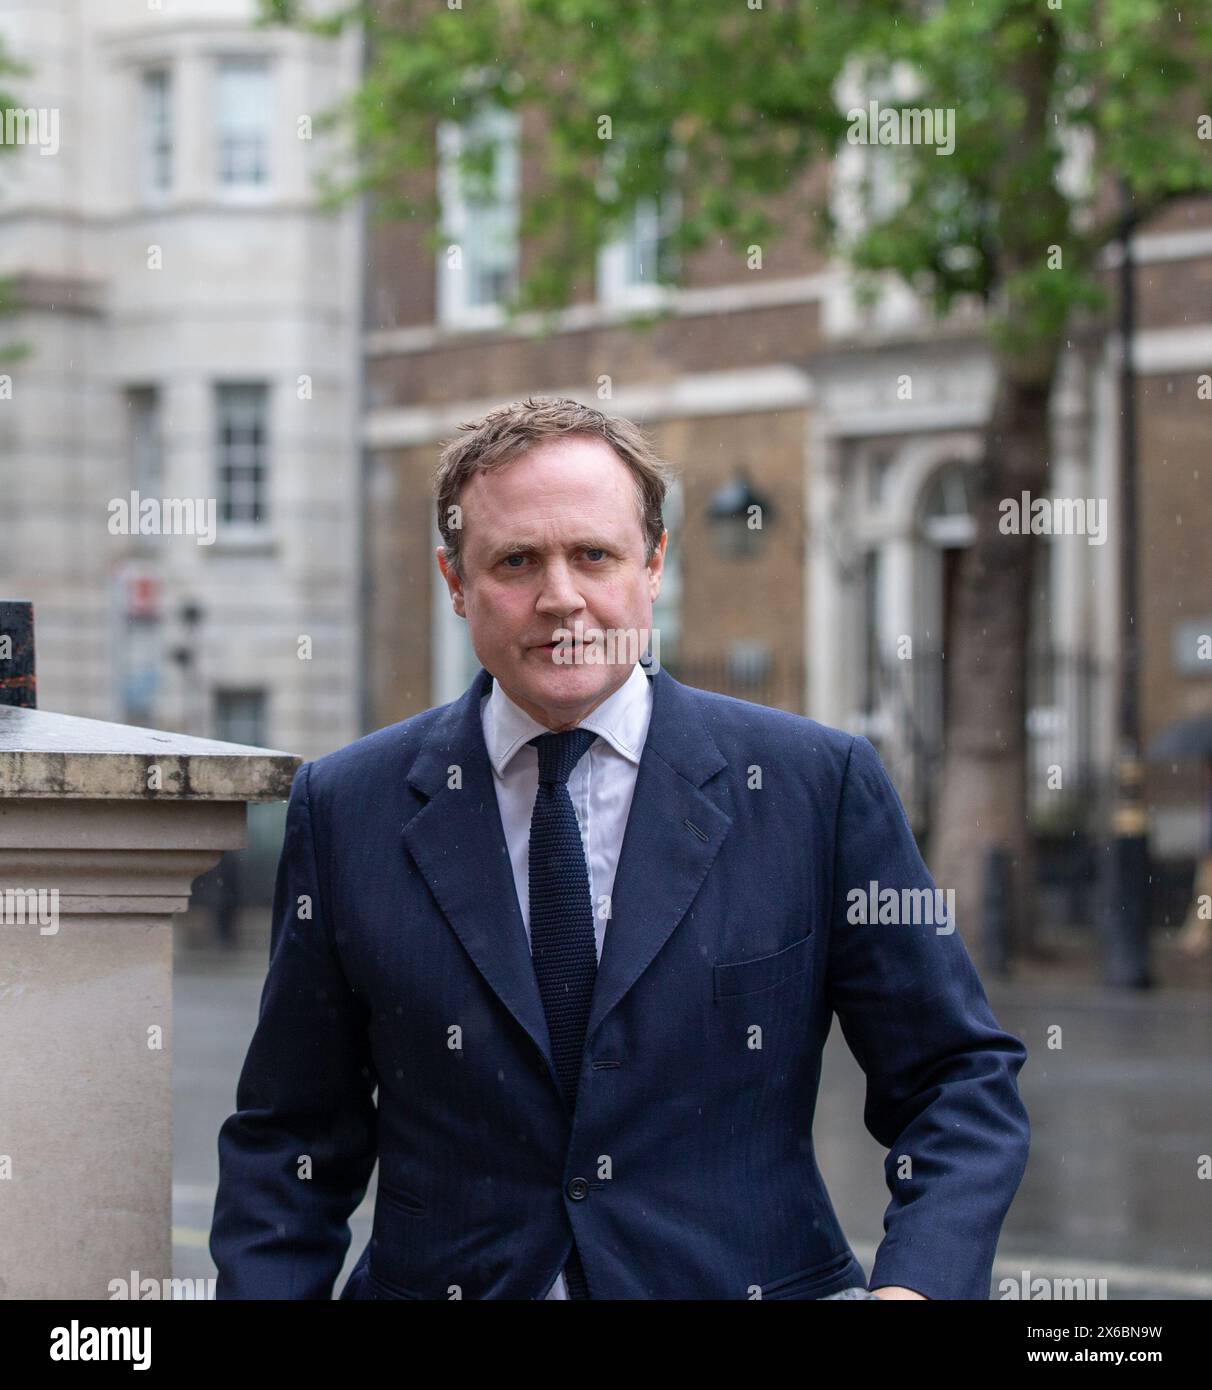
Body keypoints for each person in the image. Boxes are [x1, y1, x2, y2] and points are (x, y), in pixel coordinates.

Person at [210, 396, 1030, 1300]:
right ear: (455, 582)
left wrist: (917, 1290)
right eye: (516, 560)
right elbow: (290, 1139)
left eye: (593, 554)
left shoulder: (812, 786)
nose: (560, 596)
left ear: (654, 565)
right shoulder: (347, 808)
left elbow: (957, 1080)